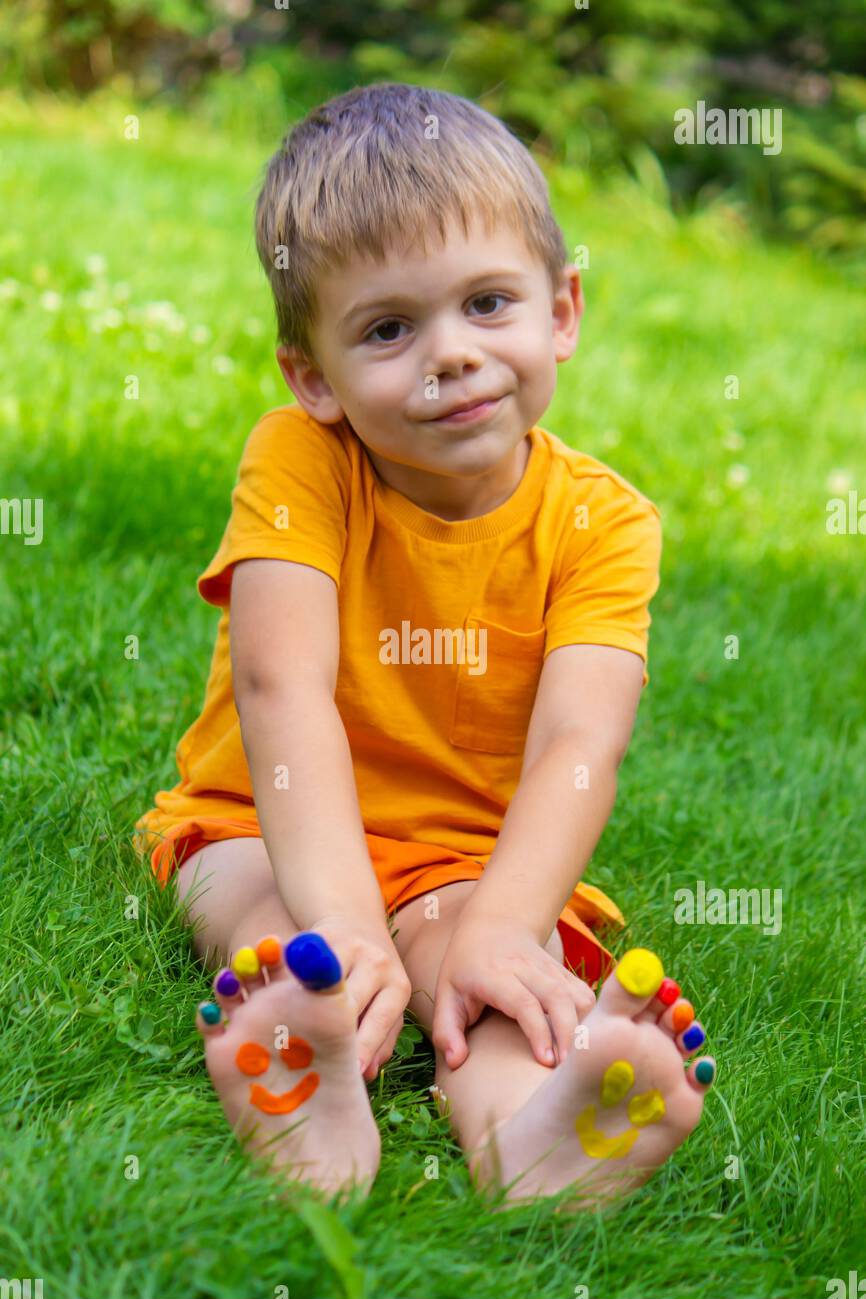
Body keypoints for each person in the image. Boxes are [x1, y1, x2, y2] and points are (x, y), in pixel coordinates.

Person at [133, 82, 716, 1208]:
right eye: (388, 329)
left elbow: (576, 746)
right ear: (314, 378)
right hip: (260, 816)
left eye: (487, 303)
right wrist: (346, 924)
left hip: (462, 855)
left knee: (492, 978)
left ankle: (537, 1136)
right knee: (270, 921)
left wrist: (502, 921)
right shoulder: (302, 461)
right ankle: (304, 1075)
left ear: (561, 309)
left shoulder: (604, 523)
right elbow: (279, 684)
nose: (450, 355)